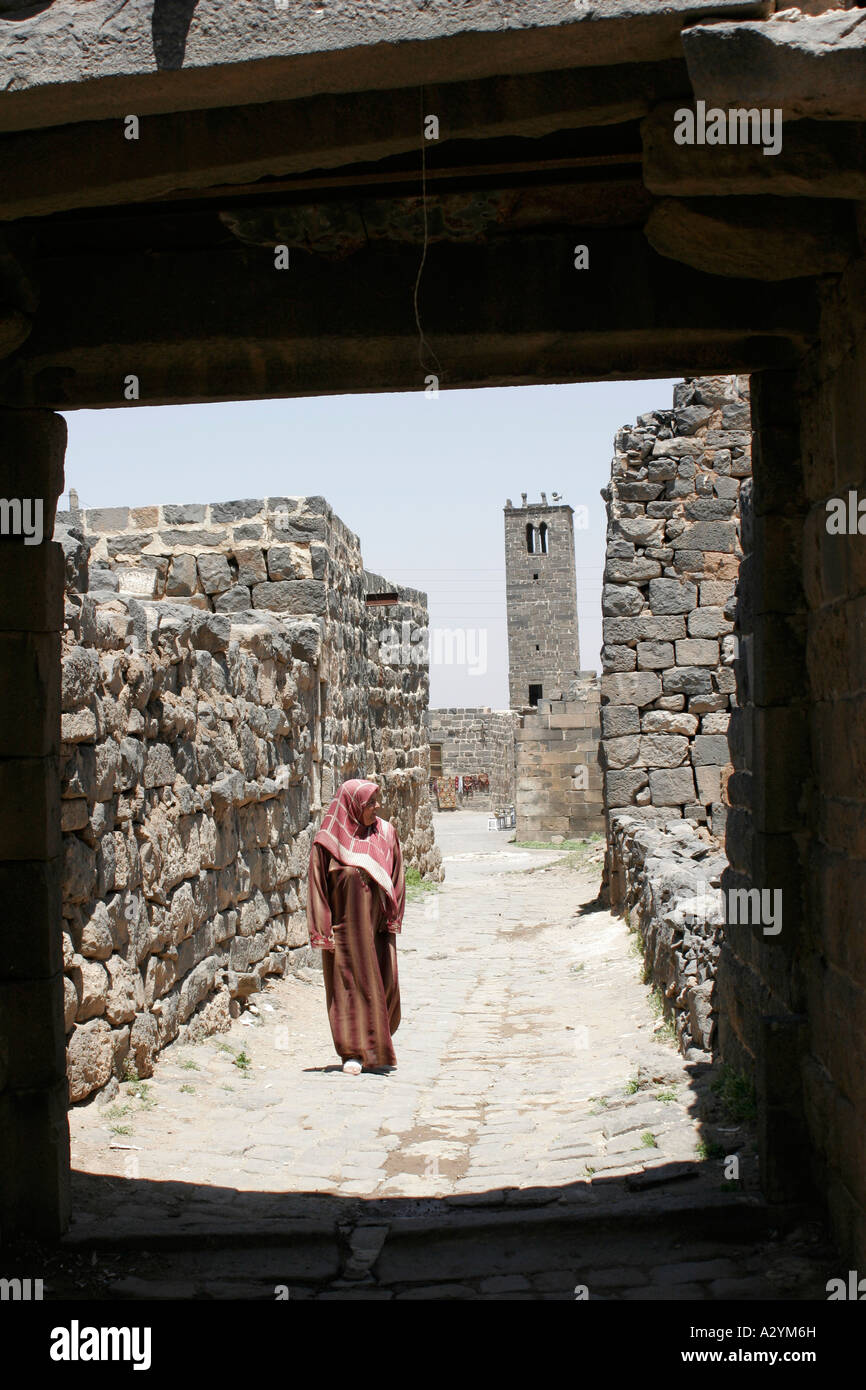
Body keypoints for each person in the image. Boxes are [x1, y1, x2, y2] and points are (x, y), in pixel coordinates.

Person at [306, 778, 405, 1075]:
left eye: (376, 801)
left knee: (380, 986)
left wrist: (393, 917)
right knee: (348, 990)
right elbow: (317, 889)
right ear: (352, 805)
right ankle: (352, 1051)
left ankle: (376, 1048)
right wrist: (322, 931)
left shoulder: (385, 834)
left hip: (376, 930)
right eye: (370, 802)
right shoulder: (327, 842)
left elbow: (397, 875)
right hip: (345, 936)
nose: (377, 807)